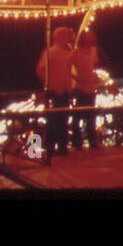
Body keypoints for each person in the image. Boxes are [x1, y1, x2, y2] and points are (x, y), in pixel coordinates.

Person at [35, 26, 75, 160]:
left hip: (63, 91)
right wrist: (51, 84)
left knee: (62, 120)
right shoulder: (51, 52)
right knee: (53, 121)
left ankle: (62, 147)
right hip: (54, 91)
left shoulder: (66, 53)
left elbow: (68, 72)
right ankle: (51, 148)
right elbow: (41, 69)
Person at [70, 29, 103, 151]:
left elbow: (94, 66)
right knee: (78, 116)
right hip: (80, 88)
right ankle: (77, 142)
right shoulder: (76, 53)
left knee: (90, 116)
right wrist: (76, 77)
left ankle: (92, 141)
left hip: (91, 87)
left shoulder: (93, 52)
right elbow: (67, 66)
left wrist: (94, 77)